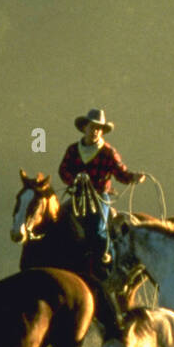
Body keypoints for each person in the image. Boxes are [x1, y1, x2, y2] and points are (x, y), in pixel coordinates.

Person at [57, 108, 145, 265]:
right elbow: (63, 170)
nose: (95, 131)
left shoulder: (108, 152)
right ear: (85, 128)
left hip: (99, 197)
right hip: (78, 197)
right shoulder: (73, 150)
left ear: (102, 132)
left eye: (99, 128)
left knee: (98, 231)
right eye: (92, 127)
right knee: (58, 221)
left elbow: (120, 173)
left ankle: (111, 260)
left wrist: (133, 177)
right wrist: (74, 181)